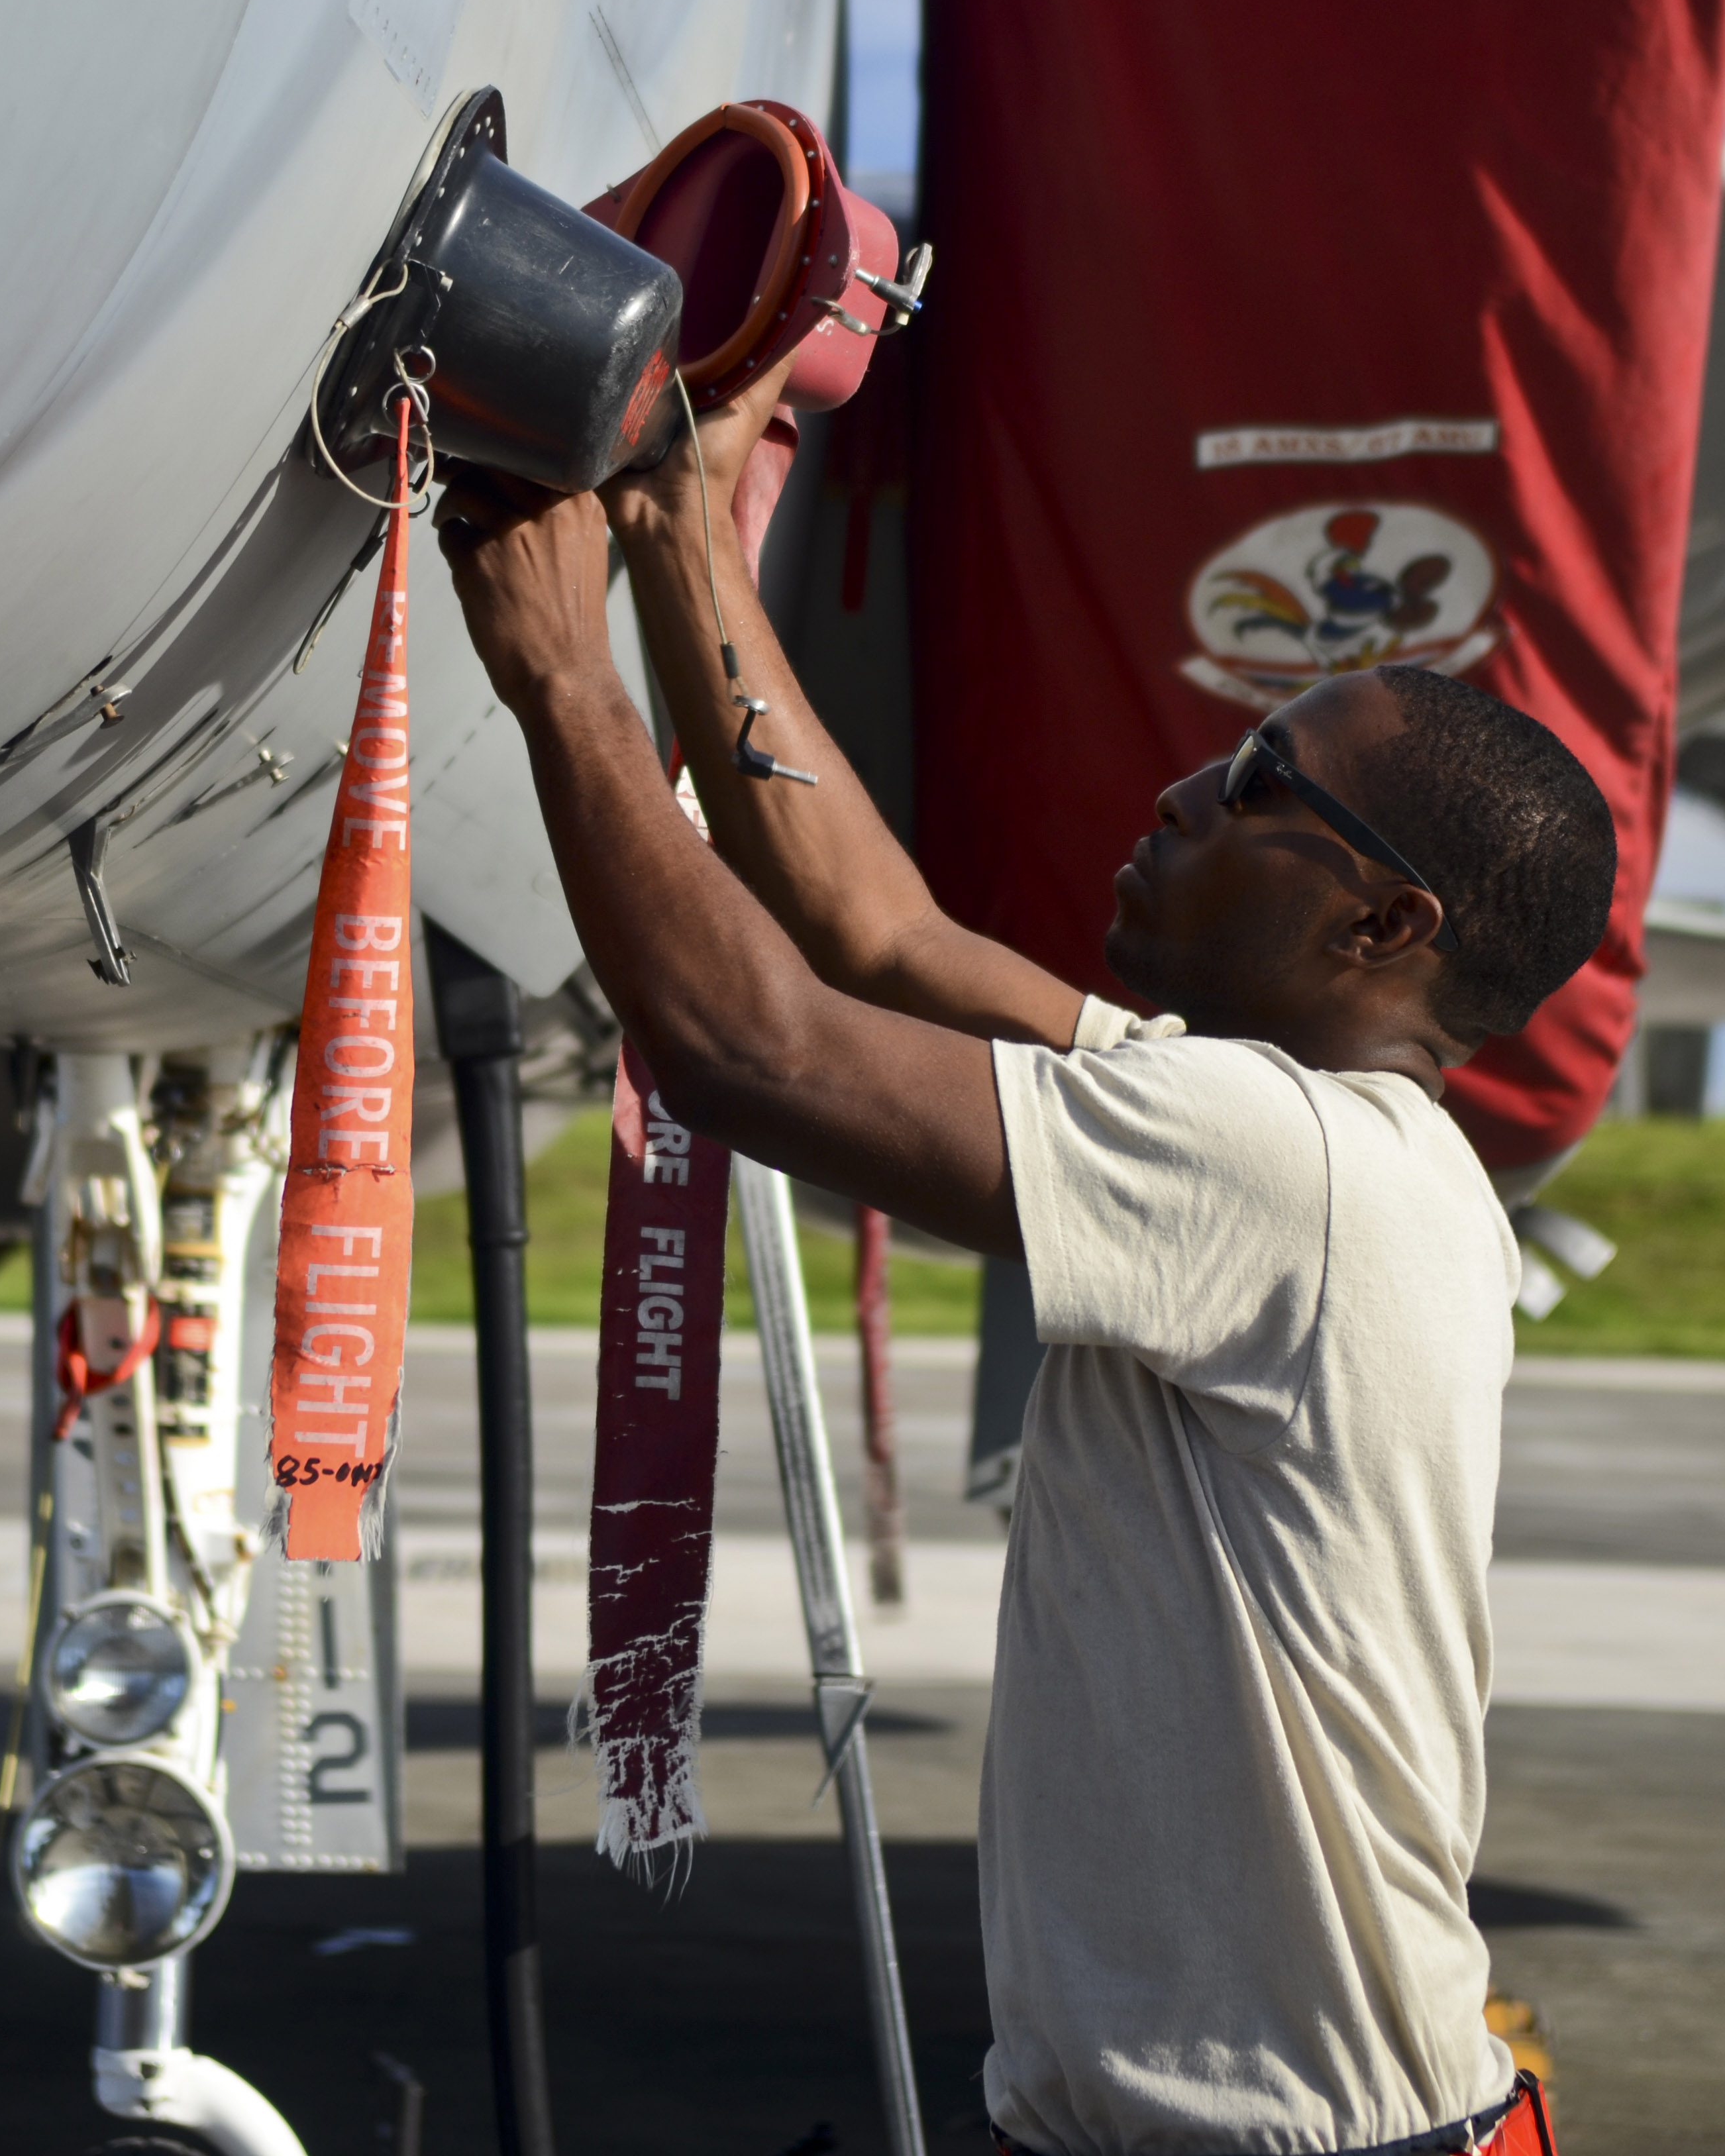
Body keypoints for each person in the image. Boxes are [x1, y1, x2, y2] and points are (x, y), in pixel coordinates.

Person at [432, 344, 1615, 2156]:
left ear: (1386, 921)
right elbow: (874, 934)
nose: (1185, 794)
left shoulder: (1283, 1163)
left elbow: (762, 1052)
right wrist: (680, 530)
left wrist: (561, 678)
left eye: (1257, 781)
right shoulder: (1308, 1131)